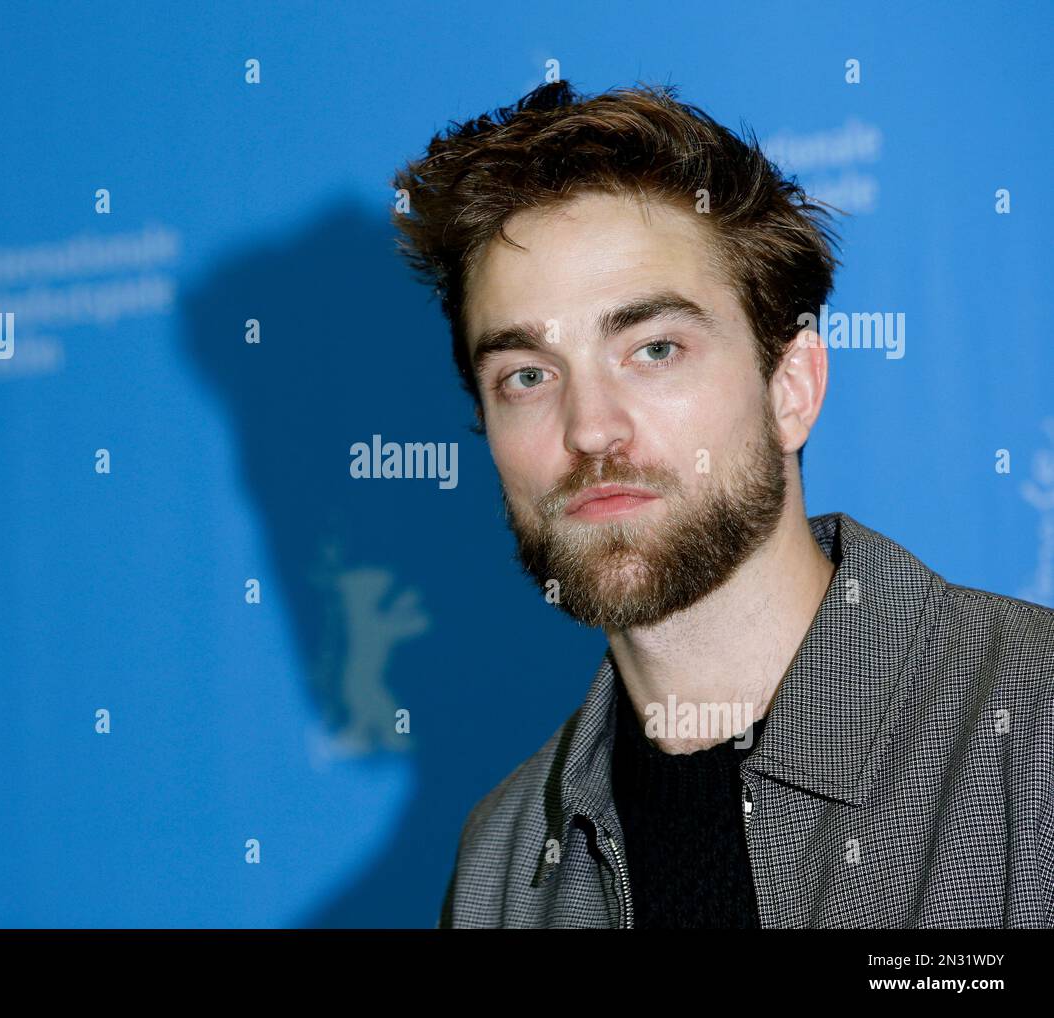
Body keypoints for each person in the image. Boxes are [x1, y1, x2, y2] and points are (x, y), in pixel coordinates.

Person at [390, 80, 1054, 928]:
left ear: (792, 388)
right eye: (527, 375)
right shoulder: (505, 865)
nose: (591, 430)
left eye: (654, 348)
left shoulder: (1031, 732)